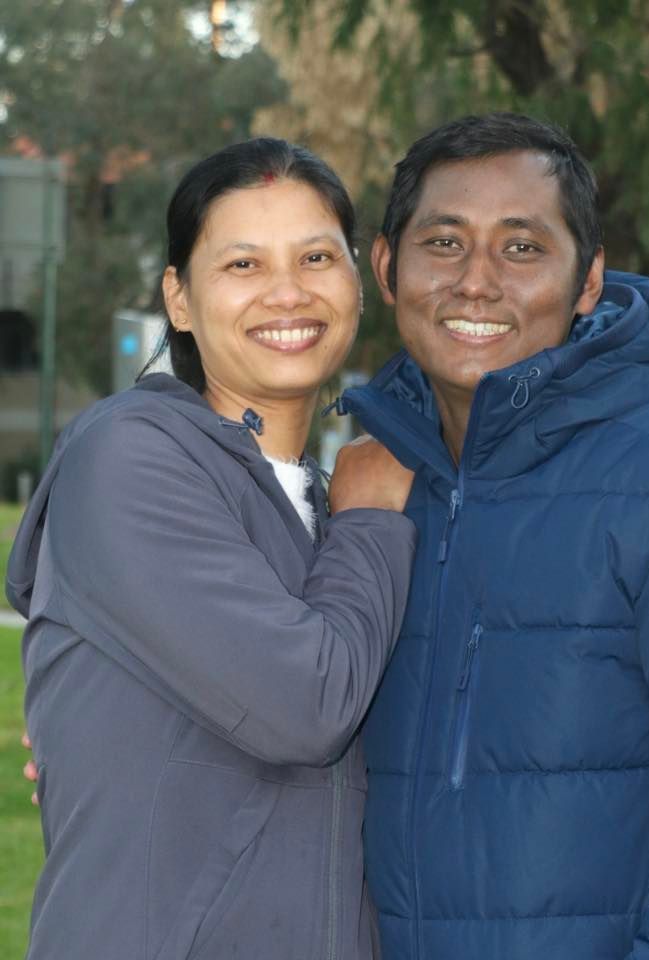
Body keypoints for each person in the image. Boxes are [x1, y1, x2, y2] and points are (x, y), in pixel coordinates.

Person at [330, 113, 649, 960]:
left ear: (589, 280)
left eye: (522, 247)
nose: (476, 282)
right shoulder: (368, 494)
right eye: (444, 242)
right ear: (388, 268)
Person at [6, 138, 416, 960]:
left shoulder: (324, 501)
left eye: (315, 257)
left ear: (359, 280)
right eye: (242, 264)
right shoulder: (129, 459)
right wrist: (372, 518)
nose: (287, 291)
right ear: (180, 299)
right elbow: (309, 706)